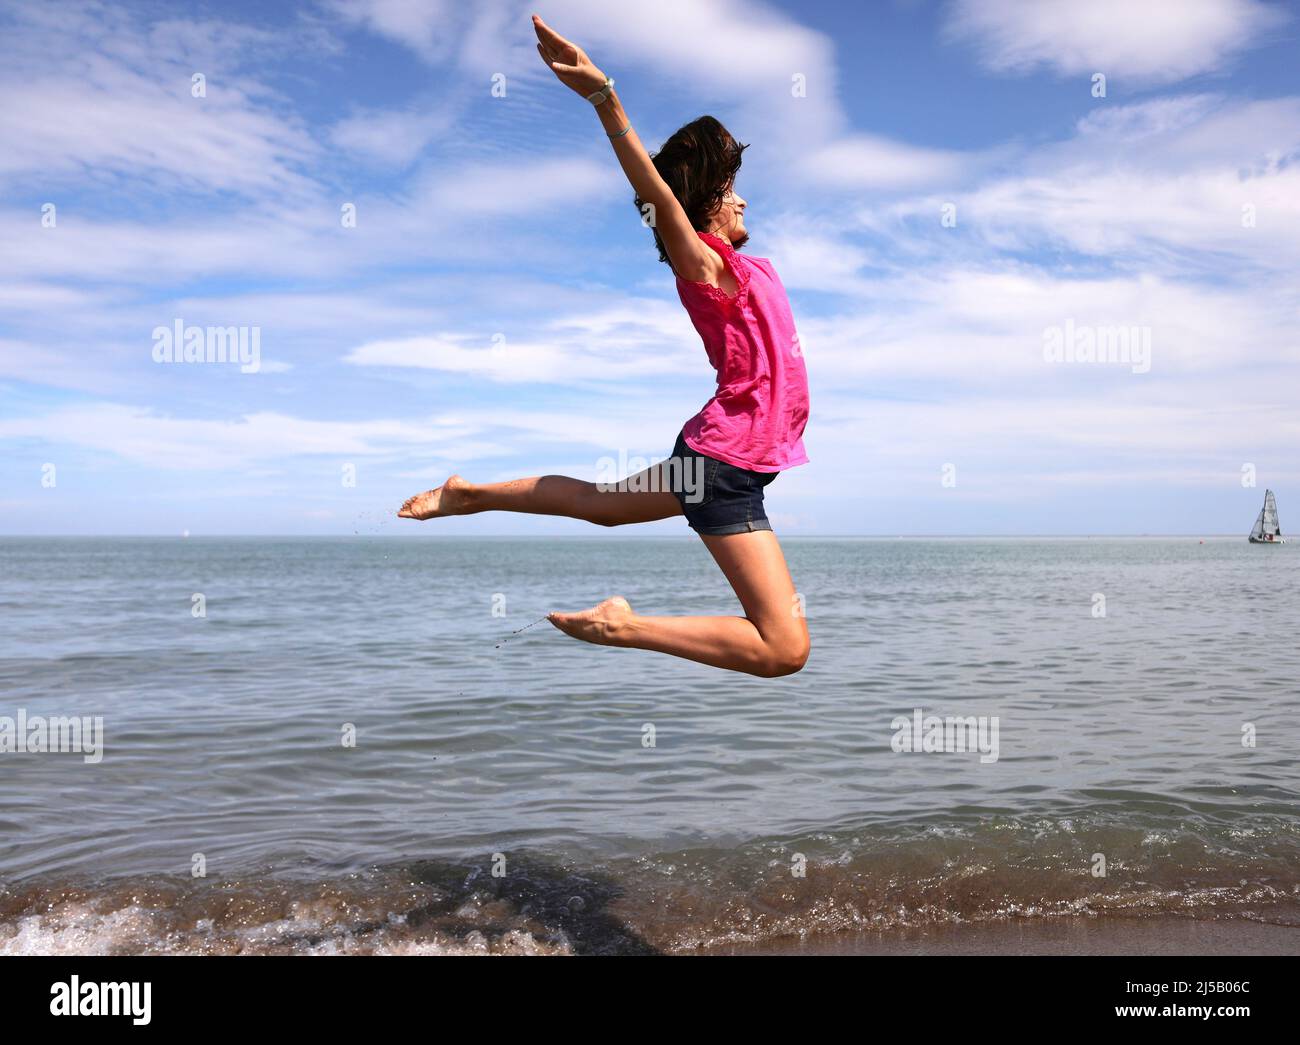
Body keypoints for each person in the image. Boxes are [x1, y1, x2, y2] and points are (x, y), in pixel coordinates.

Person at [398, 14, 811, 677]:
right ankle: (625, 625)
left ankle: (467, 494)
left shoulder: (751, 268)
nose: (743, 203)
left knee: (603, 506)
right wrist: (604, 98)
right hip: (724, 466)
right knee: (783, 647)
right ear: (705, 202)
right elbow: (654, 191)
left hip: (719, 457)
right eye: (730, 192)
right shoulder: (704, 262)